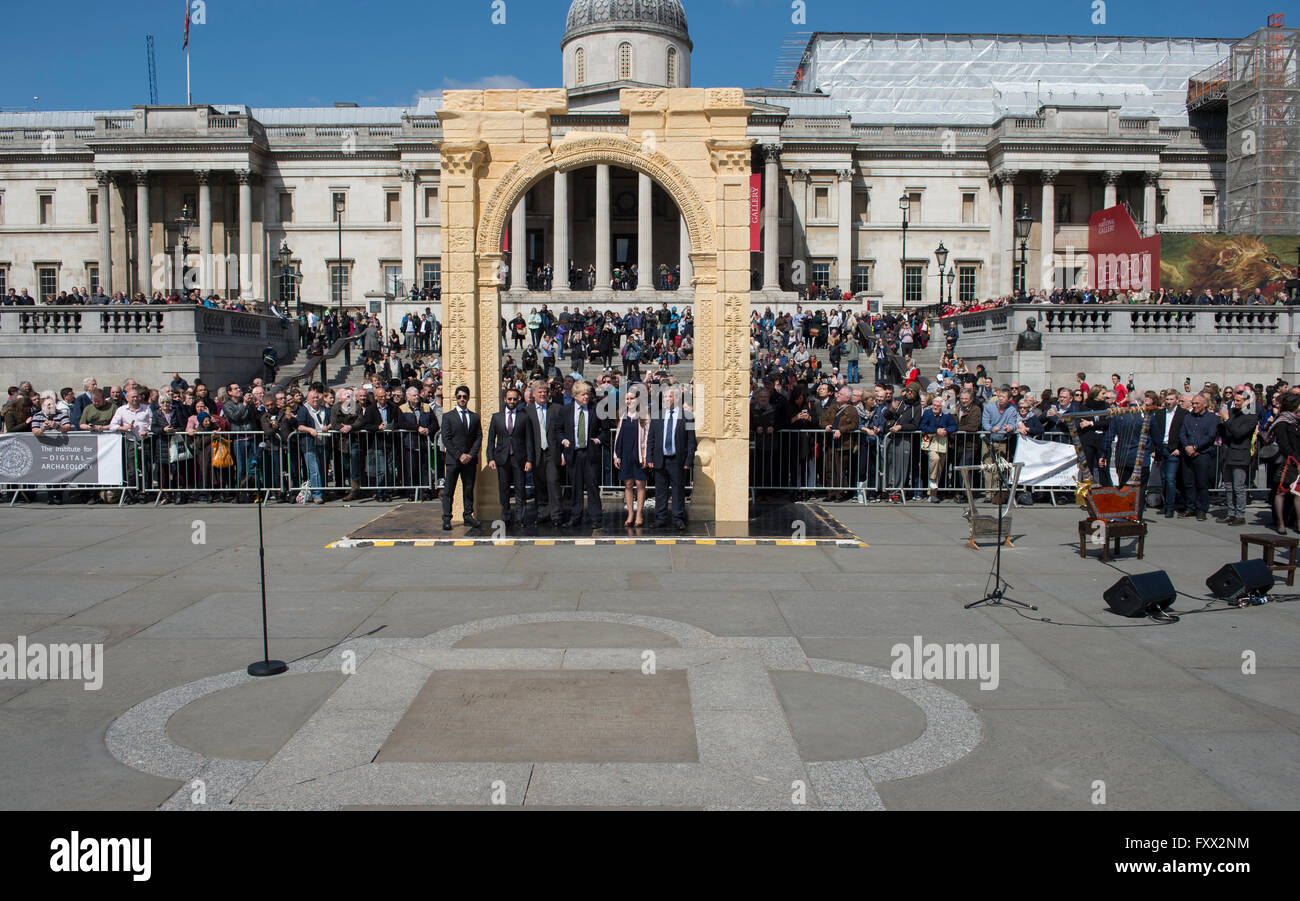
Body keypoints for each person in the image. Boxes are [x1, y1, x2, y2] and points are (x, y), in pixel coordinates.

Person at [552, 380, 603, 527]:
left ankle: (596, 518)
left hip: (590, 453)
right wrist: (564, 441)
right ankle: (575, 516)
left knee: (593, 486)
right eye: (583, 394)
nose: (586, 397)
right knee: (576, 487)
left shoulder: (595, 409)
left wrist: (598, 440)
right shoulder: (566, 410)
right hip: (573, 454)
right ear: (575, 396)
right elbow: (558, 430)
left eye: (587, 394)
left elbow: (605, 431)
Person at [647, 386, 695, 529]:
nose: (667, 399)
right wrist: (649, 458)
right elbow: (651, 439)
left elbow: (691, 441)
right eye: (666, 397)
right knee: (660, 491)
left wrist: (689, 460)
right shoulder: (657, 415)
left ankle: (678, 518)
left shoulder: (688, 416)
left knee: (678, 490)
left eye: (670, 397)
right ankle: (660, 518)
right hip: (660, 459)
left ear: (678, 398)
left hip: (677, 460)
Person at [487, 387, 533, 527]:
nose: (512, 401)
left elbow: (528, 440)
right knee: (504, 489)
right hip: (502, 457)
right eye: (509, 399)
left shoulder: (524, 417)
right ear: (505, 399)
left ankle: (520, 517)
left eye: (514, 399)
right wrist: (490, 458)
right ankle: (506, 516)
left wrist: (529, 460)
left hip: (519, 458)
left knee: (520, 489)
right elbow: (490, 440)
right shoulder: (496, 417)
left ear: (518, 400)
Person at [440, 385, 482, 530]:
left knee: (468, 488)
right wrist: (459, 455)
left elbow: (478, 437)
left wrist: (470, 454)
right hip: (453, 460)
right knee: (449, 490)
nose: (462, 399)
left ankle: (468, 515)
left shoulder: (475, 417)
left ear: (468, 398)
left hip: (469, 460)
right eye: (459, 397)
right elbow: (446, 439)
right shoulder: (448, 416)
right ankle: (446, 518)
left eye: (464, 397)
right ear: (455, 398)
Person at [1217, 386, 1258, 526]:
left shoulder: (1251, 416)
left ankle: (1240, 515)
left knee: (1238, 486)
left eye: (1239, 400)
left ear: (1247, 401)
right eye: (1235, 400)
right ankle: (1231, 512)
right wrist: (1223, 421)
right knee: (1228, 486)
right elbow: (1227, 432)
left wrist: (1227, 419)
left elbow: (1238, 433)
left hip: (1240, 454)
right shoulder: (1234, 412)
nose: (1236, 403)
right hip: (1227, 453)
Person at [525, 378, 562, 526]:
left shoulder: (557, 409)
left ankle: (556, 515)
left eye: (545, 392)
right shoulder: (527, 411)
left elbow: (561, 432)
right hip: (535, 454)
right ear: (533, 394)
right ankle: (542, 513)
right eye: (539, 392)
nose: (542, 394)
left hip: (552, 453)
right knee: (539, 485)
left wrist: (563, 454)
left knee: (553, 482)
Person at [613, 386, 651, 527]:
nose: (629, 401)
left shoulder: (644, 415)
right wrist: (616, 455)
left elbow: (647, 437)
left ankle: (639, 514)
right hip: (625, 453)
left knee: (640, 484)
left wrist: (646, 456)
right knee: (628, 484)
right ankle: (630, 514)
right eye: (627, 399)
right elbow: (618, 436)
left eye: (631, 398)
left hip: (639, 453)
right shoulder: (622, 415)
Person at [1178, 392, 1218, 521]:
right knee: (1188, 482)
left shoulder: (1212, 418)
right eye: (1193, 403)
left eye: (1197, 404)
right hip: (1188, 453)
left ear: (1205, 404)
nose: (1194, 406)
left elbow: (1210, 436)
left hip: (1203, 454)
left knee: (1202, 483)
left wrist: (1196, 447)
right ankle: (1190, 506)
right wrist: (1187, 447)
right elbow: (1182, 434)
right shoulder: (1188, 417)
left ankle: (1201, 509)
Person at [1266, 392, 1300, 535]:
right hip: (1287, 461)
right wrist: (1296, 460)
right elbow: (1285, 445)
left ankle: (1299, 523)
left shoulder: (1296, 420)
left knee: (1298, 493)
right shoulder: (1282, 422)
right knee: (1281, 492)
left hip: (1298, 459)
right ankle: (1281, 523)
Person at [1150, 388, 1188, 517]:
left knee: (1171, 479)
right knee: (1164, 478)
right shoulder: (1159, 414)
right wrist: (1153, 449)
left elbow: (1184, 433)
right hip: (1162, 449)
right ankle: (1166, 504)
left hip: (1173, 450)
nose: (1169, 402)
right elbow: (1153, 432)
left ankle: (1170, 508)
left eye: (1172, 399)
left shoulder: (1183, 414)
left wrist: (1179, 448)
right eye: (1167, 399)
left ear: (1177, 400)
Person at [919, 394, 957, 503]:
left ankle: (932, 494)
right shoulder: (927, 413)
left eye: (938, 406)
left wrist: (945, 430)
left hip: (942, 444)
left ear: (942, 407)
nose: (935, 407)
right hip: (930, 443)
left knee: (940, 467)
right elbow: (922, 426)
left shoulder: (946, 415)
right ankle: (932, 480)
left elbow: (954, 426)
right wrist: (936, 430)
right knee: (935, 458)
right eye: (934, 405)